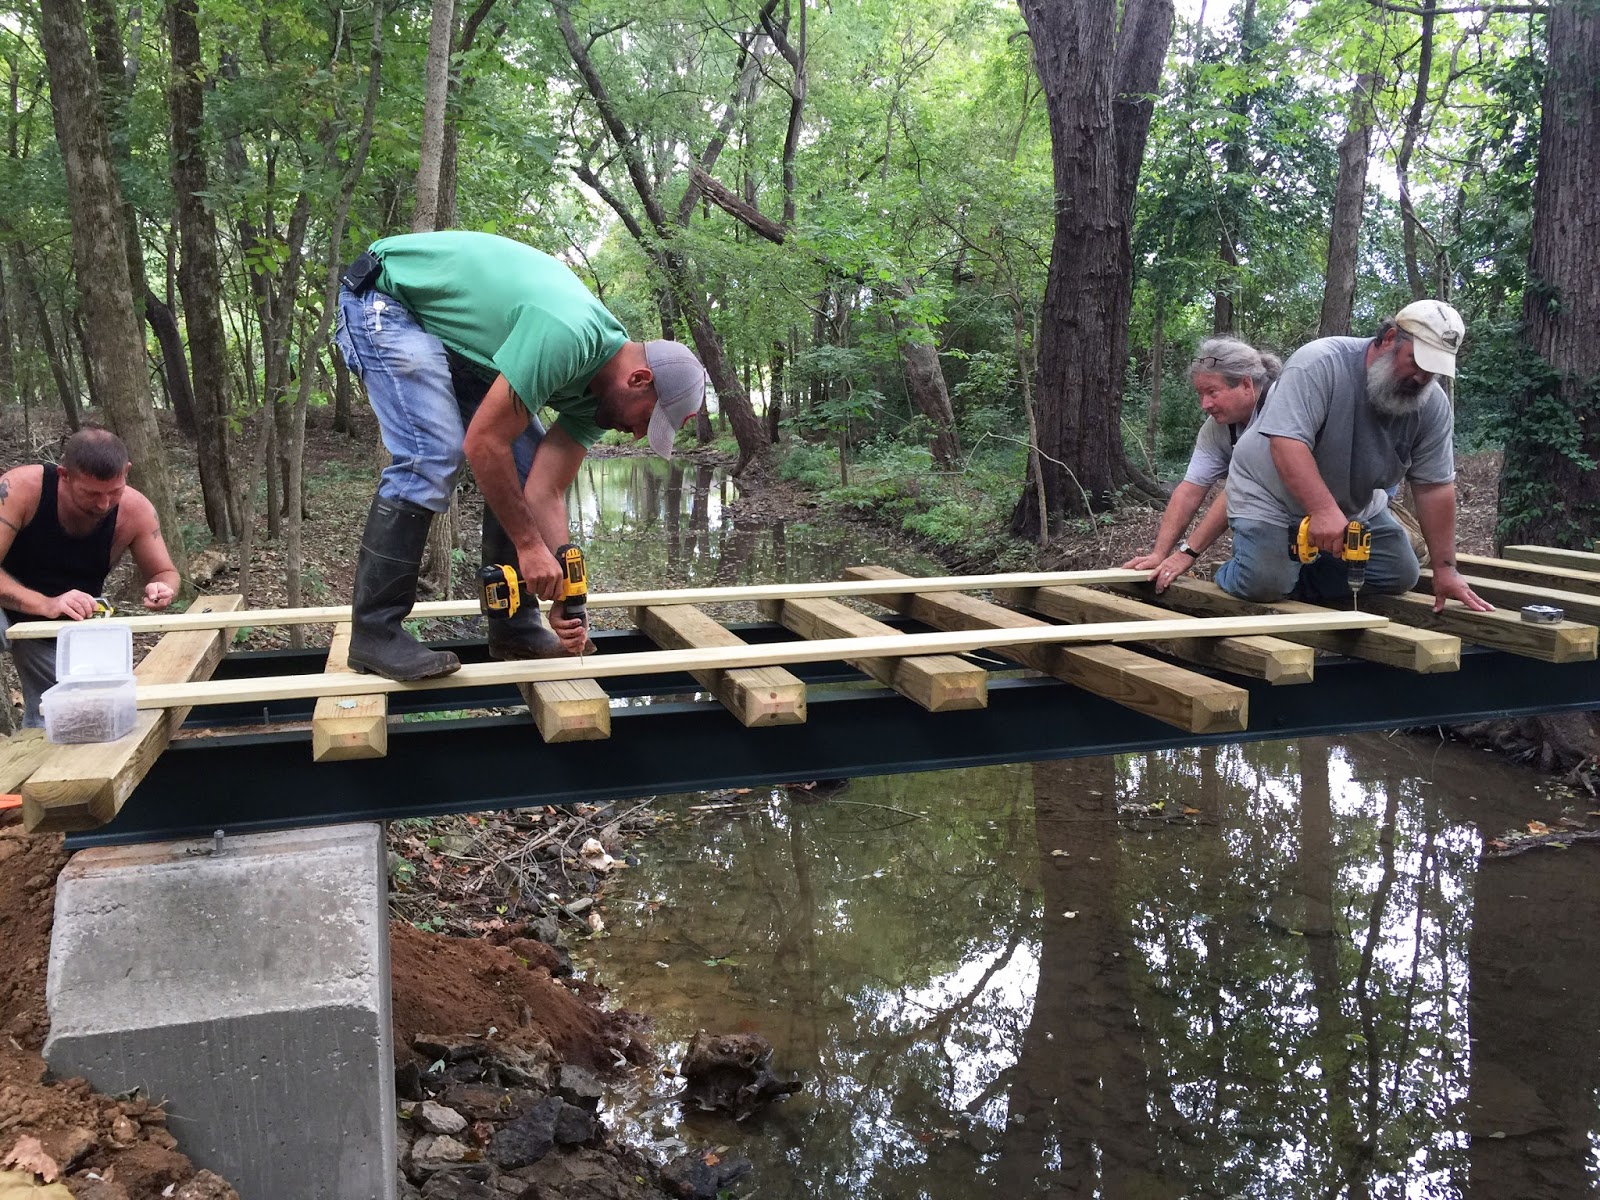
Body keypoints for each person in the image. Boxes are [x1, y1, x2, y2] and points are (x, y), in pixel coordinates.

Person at [333, 230, 708, 681]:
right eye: (648, 420)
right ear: (639, 379)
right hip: (386, 298)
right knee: (430, 453)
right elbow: (483, 443)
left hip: (457, 343)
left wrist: (567, 596)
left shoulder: (598, 400)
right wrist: (530, 548)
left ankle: (515, 627)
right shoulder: (568, 336)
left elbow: (544, 489)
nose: (636, 434)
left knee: (524, 457)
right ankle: (375, 631)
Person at [1213, 299, 1491, 613]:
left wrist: (1445, 568)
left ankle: (1289, 576)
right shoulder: (1319, 363)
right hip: (1268, 496)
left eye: (1434, 370)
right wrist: (1321, 511)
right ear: (1388, 340)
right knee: (1263, 584)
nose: (1422, 377)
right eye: (1415, 361)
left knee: (1399, 573)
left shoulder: (1432, 406)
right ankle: (1249, 572)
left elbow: (1434, 486)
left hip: (1350, 506)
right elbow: (1287, 444)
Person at [0, 428, 179, 727]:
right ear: (64, 476)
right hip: (17, 602)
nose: (103, 504)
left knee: (69, 723)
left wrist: (162, 587)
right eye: (92, 493)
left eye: (114, 492)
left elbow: (166, 572)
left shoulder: (136, 510)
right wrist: (45, 603)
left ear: (126, 472)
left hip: (62, 625)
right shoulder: (20, 488)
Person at [1122, 336, 1282, 592]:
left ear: (1245, 384)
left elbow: (1238, 489)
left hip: (1333, 509)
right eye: (1200, 394)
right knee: (1260, 584)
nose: (1204, 405)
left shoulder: (1282, 406)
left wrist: (1187, 553)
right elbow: (1189, 491)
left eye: (1212, 393)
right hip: (1273, 518)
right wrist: (1159, 554)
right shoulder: (1217, 429)